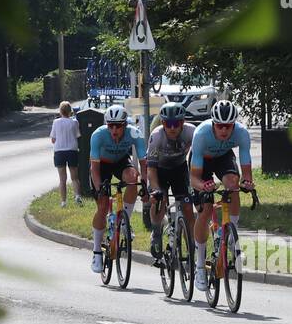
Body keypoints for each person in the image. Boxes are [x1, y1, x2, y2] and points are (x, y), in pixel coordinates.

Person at [189, 99, 253, 293]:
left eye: (228, 126)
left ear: (234, 124)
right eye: (220, 126)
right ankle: (200, 265)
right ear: (213, 123)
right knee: (206, 210)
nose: (224, 130)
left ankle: (231, 236)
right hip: (202, 163)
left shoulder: (241, 133)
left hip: (224, 157)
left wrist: (247, 182)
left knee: (233, 185)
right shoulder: (201, 134)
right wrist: (203, 185)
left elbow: (246, 167)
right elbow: (193, 178)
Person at [88, 104, 146, 274]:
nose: (114, 129)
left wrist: (145, 184)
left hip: (121, 161)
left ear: (125, 125)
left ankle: (124, 222)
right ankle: (97, 251)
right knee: (103, 206)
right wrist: (100, 189)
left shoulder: (134, 133)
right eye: (111, 125)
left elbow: (143, 163)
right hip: (102, 165)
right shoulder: (98, 135)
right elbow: (94, 168)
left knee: (132, 177)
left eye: (118, 126)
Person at [144, 102, 195, 260]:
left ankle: (192, 246)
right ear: (162, 123)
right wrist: (156, 190)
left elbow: (199, 157)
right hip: (159, 171)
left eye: (176, 123)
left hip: (180, 169)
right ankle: (157, 231)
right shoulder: (157, 136)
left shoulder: (192, 132)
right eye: (168, 123)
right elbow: (150, 169)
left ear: (183, 122)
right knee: (160, 201)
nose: (172, 128)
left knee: (187, 207)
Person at [51, 100, 81, 206]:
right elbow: (78, 135)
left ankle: (63, 201)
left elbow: (53, 139)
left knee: (62, 179)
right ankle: (77, 196)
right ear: (70, 111)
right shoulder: (74, 122)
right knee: (75, 177)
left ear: (60, 111)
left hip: (59, 151)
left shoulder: (56, 122)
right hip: (72, 150)